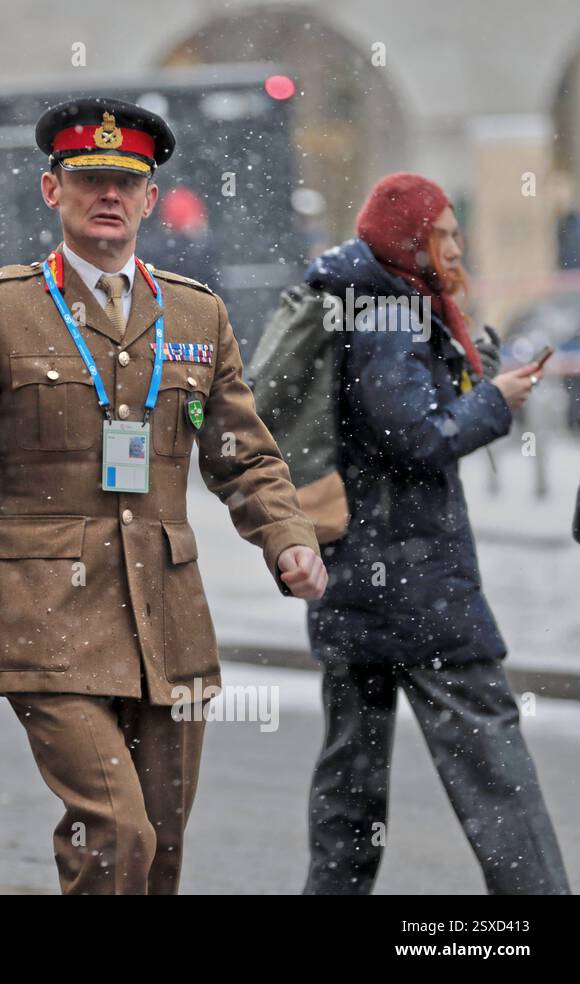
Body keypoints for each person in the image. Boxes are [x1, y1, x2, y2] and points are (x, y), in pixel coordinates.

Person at [0, 97, 327, 895]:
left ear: (150, 199)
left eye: (126, 182)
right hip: (44, 622)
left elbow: (241, 452)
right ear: (51, 191)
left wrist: (286, 535)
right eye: (90, 178)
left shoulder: (197, 313)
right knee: (116, 828)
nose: (109, 195)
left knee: (159, 852)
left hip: (167, 621)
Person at [300, 172, 570, 895]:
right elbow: (412, 439)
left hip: (354, 575)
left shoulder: (366, 299)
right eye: (444, 232)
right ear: (411, 239)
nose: (457, 244)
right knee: (495, 768)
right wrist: (494, 401)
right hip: (415, 585)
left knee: (350, 781)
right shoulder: (388, 313)